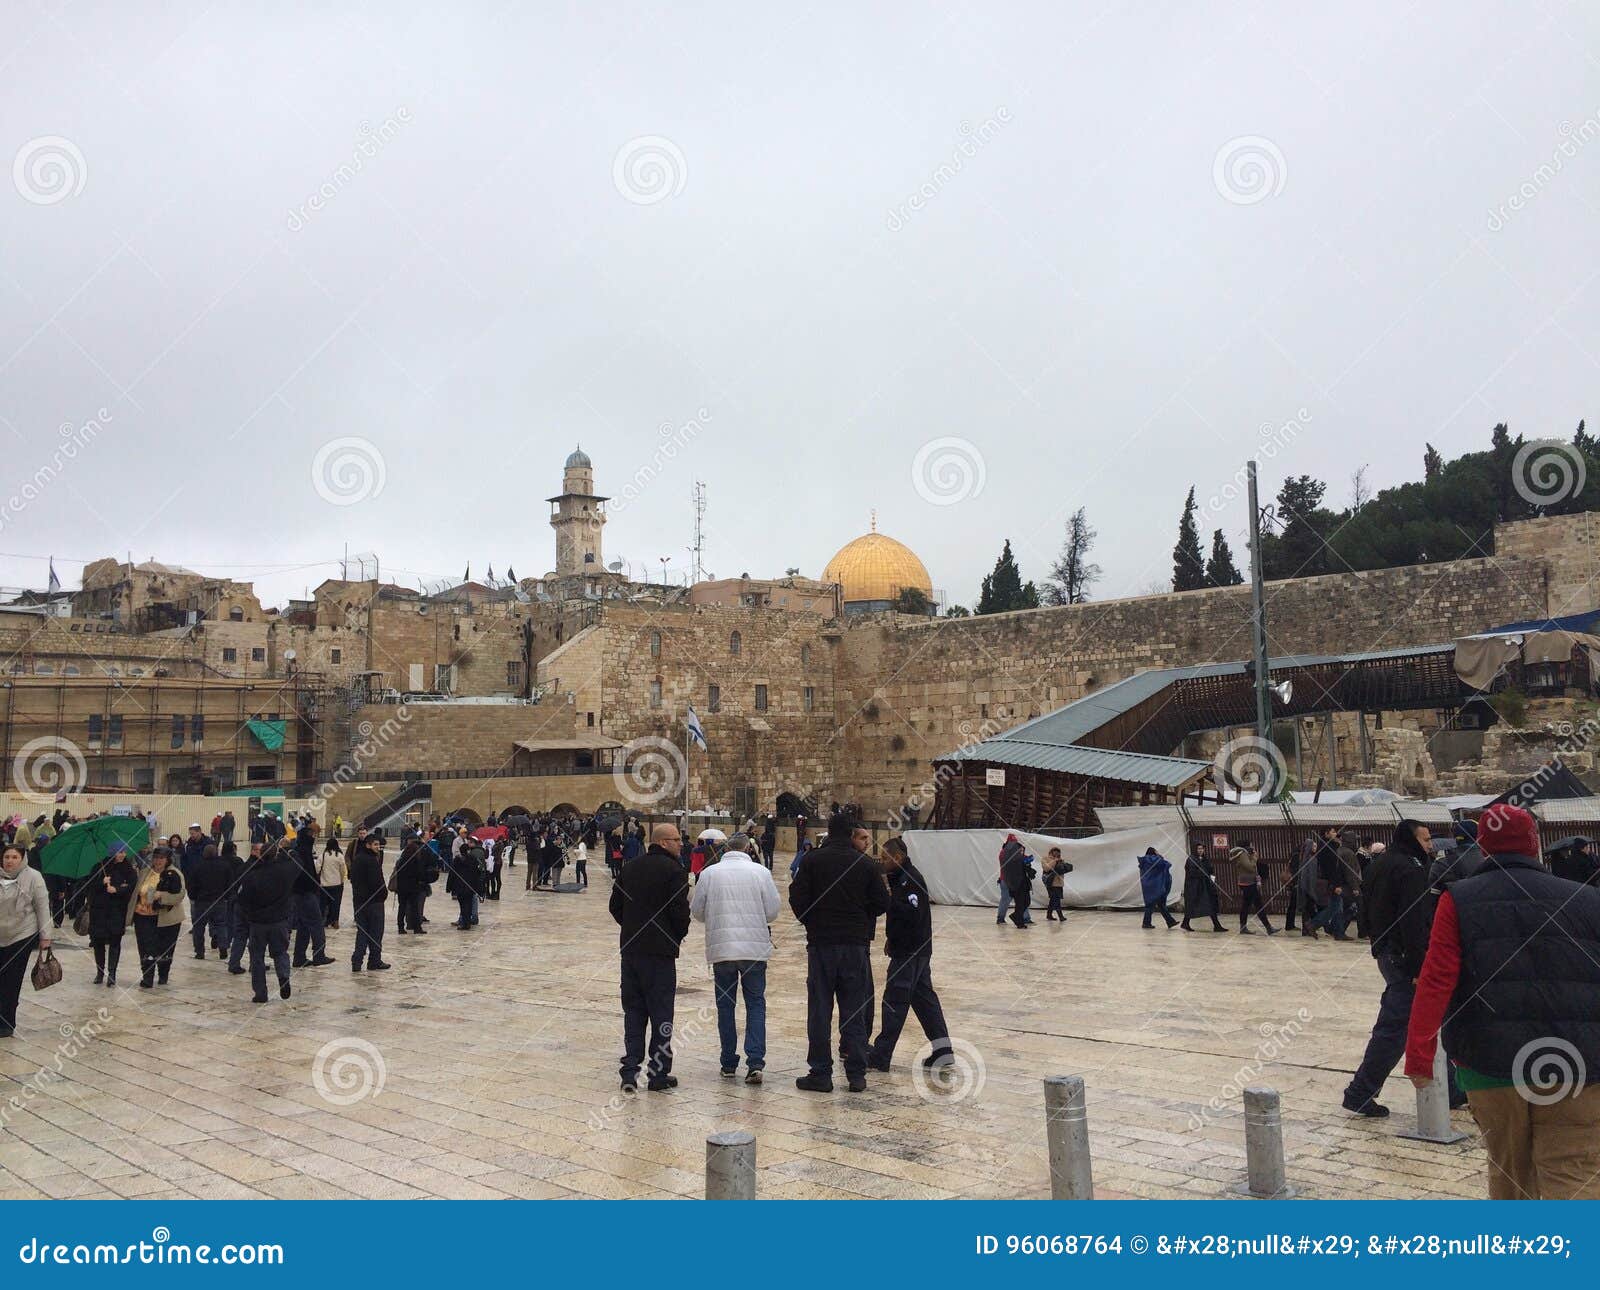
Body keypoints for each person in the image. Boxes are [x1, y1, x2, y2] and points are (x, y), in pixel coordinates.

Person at [1406, 803, 1600, 1197]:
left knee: (1509, 1174)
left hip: (1490, 1064)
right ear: (1535, 847)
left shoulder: (1457, 900)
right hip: (1576, 1063)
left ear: (1484, 848)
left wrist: (1419, 1055)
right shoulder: (1587, 900)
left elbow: (1436, 980)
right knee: (1573, 1173)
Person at [1342, 818, 1448, 1118]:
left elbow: (1364, 906)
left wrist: (1374, 940)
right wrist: (1419, 965)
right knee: (1395, 1027)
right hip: (1405, 958)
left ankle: (1453, 1089)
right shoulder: (1411, 868)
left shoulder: (1380, 863)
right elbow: (1413, 920)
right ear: (1412, 840)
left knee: (1425, 1019)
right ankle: (1360, 1092)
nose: (1430, 846)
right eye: (1426, 840)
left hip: (1386, 952)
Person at [789, 813, 889, 1093]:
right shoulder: (865, 864)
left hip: (821, 944)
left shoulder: (812, 861)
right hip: (855, 945)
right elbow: (882, 902)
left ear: (829, 832)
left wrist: (812, 920)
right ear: (850, 834)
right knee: (853, 1009)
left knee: (820, 1009)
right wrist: (860, 916)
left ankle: (820, 1073)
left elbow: (796, 897)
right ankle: (856, 1074)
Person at [691, 832, 780, 1084]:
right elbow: (772, 911)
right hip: (754, 950)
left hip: (723, 950)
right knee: (755, 1004)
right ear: (747, 850)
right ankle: (755, 1063)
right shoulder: (761, 872)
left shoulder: (709, 874)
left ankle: (728, 1062)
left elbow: (697, 912)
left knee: (725, 1005)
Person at [609, 823, 691, 1093]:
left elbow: (615, 906)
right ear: (663, 842)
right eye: (676, 839)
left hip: (631, 952)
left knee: (633, 1012)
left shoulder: (630, 867)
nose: (681, 843)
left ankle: (630, 1072)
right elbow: (680, 912)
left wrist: (631, 927)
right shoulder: (674, 871)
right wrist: (674, 936)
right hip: (660, 955)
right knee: (661, 1014)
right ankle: (657, 1074)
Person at [867, 836, 952, 1070]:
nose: (882, 862)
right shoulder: (900, 878)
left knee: (894, 1000)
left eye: (886, 858)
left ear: (899, 857)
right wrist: (890, 938)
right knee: (925, 1001)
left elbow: (911, 914)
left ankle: (881, 1055)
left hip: (910, 952)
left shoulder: (910, 879)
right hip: (915, 949)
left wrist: (887, 898)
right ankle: (943, 1051)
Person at [0, 843, 51, 1038]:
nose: (10, 861)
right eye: (7, 857)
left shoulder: (33, 877)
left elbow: (42, 906)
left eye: (14, 857)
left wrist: (46, 936)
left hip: (21, 934)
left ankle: (6, 1021)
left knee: (11, 979)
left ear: (22, 859)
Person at [237, 841, 295, 1003]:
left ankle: (261, 992)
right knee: (280, 952)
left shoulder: (252, 875)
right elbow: (299, 864)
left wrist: (250, 914)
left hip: (258, 923)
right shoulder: (284, 871)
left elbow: (242, 899)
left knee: (257, 957)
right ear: (276, 854)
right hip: (279, 920)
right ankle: (283, 977)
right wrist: (289, 852)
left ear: (260, 855)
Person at [129, 846, 185, 988]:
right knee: (145, 947)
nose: (158, 861)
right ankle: (147, 977)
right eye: (156, 858)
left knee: (164, 948)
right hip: (142, 916)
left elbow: (179, 895)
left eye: (161, 858)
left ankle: (163, 975)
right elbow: (136, 891)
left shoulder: (174, 873)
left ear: (167, 860)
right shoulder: (145, 872)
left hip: (165, 919)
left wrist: (162, 896)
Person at [86, 843, 137, 986]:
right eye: (118, 852)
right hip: (99, 912)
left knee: (115, 941)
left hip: (117, 911)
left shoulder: (128, 869)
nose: (121, 855)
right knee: (98, 943)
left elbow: (131, 887)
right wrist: (101, 882)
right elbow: (88, 887)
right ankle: (99, 972)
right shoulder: (99, 867)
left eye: (123, 852)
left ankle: (112, 973)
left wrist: (117, 890)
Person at [290, 823, 333, 968]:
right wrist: (314, 887)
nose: (314, 838)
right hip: (306, 894)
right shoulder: (303, 852)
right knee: (316, 924)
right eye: (313, 835)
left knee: (303, 926)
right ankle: (319, 955)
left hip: (299, 894)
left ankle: (299, 958)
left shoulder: (299, 850)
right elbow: (306, 875)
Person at [348, 833, 391, 972]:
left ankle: (357, 961)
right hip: (373, 903)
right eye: (375, 845)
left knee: (362, 932)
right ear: (368, 845)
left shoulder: (357, 859)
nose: (378, 847)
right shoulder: (371, 861)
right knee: (376, 933)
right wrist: (383, 894)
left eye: (378, 845)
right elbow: (376, 882)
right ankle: (374, 961)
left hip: (359, 902)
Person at [186, 842, 232, 960]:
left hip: (201, 902)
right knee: (221, 925)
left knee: (199, 928)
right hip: (219, 900)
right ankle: (223, 948)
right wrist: (226, 896)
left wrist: (193, 896)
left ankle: (199, 952)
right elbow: (229, 883)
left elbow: (191, 884)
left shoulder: (198, 866)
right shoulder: (224, 866)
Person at [1230, 844, 1276, 935]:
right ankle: (1268, 928)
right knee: (1257, 905)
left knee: (1247, 905)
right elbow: (1251, 868)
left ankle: (1245, 928)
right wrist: (1254, 858)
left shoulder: (1243, 854)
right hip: (1248, 884)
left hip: (1249, 883)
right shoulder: (1243, 854)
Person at [1180, 844, 1225, 932]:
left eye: (1202, 848)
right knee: (1193, 905)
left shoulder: (1205, 859)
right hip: (1195, 887)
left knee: (1210, 904)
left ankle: (1217, 925)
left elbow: (1210, 870)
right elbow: (1191, 873)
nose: (1200, 850)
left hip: (1206, 886)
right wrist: (1202, 874)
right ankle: (1185, 923)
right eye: (1198, 849)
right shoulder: (1191, 859)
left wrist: (1211, 878)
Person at [448, 836, 487, 929]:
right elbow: (477, 873)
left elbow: (452, 874)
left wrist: (449, 887)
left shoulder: (457, 860)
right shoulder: (472, 859)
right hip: (470, 886)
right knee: (468, 905)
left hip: (461, 886)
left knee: (463, 905)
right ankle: (467, 923)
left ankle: (464, 922)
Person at [995, 834, 1031, 925]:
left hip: (1010, 879)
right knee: (1008, 899)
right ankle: (1001, 918)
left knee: (1020, 899)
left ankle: (1024, 917)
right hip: (1008, 880)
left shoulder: (1005, 852)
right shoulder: (1006, 853)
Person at [1138, 846, 1177, 929]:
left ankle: (1170, 921)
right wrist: (1160, 856)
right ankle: (1146, 923)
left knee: (1157, 904)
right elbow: (1167, 864)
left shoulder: (1143, 862)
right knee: (1153, 905)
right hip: (1157, 886)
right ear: (1154, 852)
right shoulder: (1155, 859)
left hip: (1148, 886)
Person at [319, 836, 347, 929]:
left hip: (324, 884)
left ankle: (324, 920)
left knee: (323, 903)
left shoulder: (323, 855)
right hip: (337, 884)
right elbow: (343, 870)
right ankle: (335, 921)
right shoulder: (339, 856)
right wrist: (342, 880)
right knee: (336, 903)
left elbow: (317, 868)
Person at [1042, 847, 1073, 922]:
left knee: (1053, 899)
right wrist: (1054, 861)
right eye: (1055, 852)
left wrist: (1063, 863)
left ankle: (1049, 915)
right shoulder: (1045, 858)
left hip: (1059, 883)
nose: (1056, 853)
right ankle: (1060, 916)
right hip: (1051, 883)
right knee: (1056, 900)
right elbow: (1046, 868)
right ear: (1051, 852)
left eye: (1058, 852)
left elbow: (1063, 870)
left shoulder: (1060, 859)